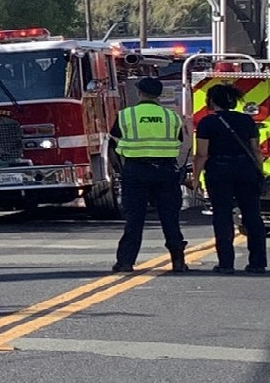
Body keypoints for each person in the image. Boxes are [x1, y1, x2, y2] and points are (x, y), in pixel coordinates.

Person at [108, 76, 188, 274]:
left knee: (134, 219)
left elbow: (113, 144)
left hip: (136, 170)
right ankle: (178, 261)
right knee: (170, 218)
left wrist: (120, 170)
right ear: (159, 95)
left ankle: (125, 262)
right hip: (166, 171)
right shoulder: (171, 116)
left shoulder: (126, 115)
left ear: (139, 93)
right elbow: (179, 141)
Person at [191, 83, 267, 274]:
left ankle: (226, 263)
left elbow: (202, 154)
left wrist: (196, 178)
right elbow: (255, 149)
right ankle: (257, 263)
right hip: (246, 170)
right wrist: (259, 171)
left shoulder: (207, 122)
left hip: (219, 171)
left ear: (211, 101)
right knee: (252, 215)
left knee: (222, 216)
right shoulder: (246, 120)